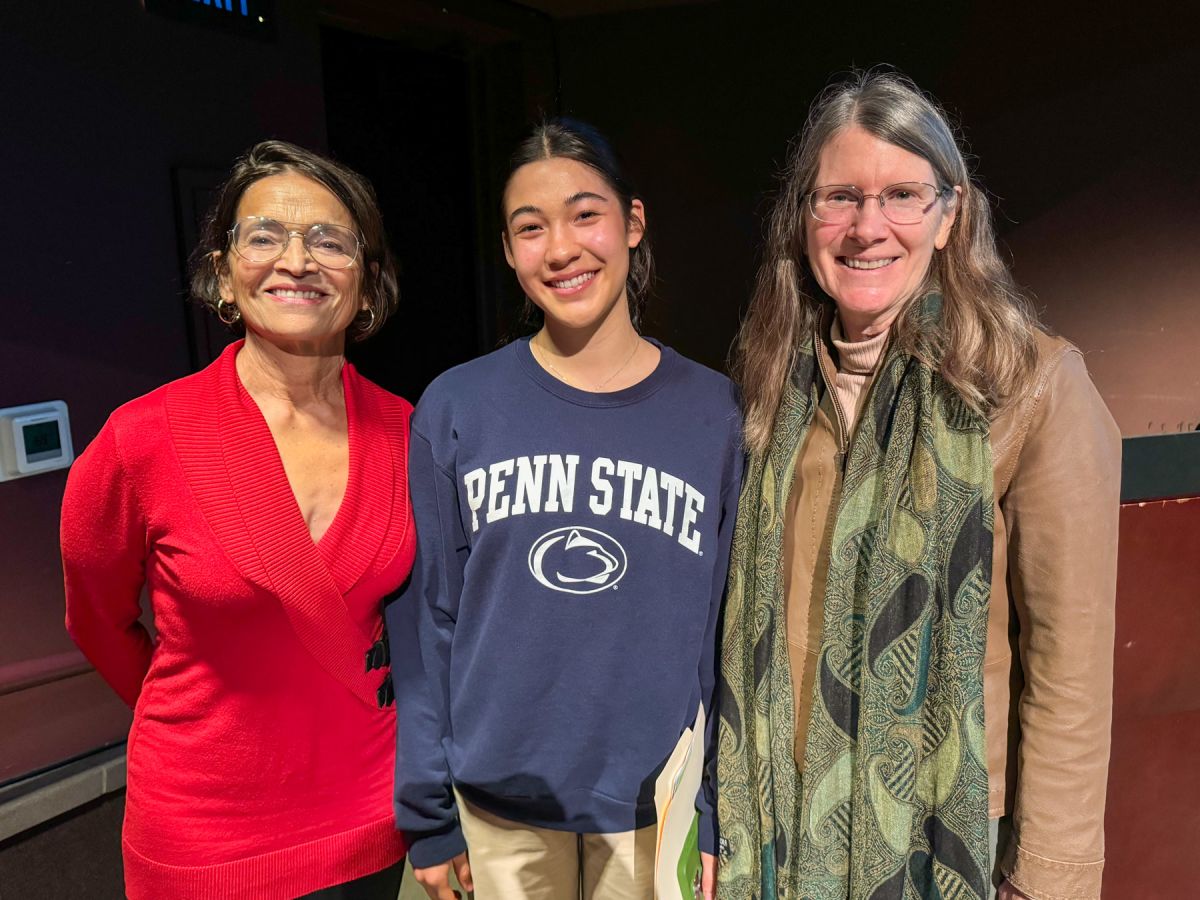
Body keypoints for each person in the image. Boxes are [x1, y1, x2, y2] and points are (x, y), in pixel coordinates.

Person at [717, 71, 1121, 900]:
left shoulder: (1031, 384)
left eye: (902, 195)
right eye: (840, 198)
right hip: (776, 834)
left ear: (950, 217)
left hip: (949, 839)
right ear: (804, 220)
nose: (868, 227)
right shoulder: (766, 392)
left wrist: (1047, 879)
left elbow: (1070, 672)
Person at [388, 119, 742, 900]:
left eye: (586, 215)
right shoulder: (457, 406)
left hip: (657, 805)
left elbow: (727, 636)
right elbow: (429, 627)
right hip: (496, 809)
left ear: (633, 222)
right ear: (508, 250)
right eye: (530, 228)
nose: (561, 249)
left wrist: (720, 807)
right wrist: (428, 814)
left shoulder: (715, 414)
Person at [61, 141, 413, 900]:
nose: (297, 260)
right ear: (224, 273)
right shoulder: (141, 439)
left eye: (330, 240)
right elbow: (95, 620)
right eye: (265, 236)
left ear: (367, 278)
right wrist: (209, 726)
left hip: (372, 818)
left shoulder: (410, 433)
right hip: (206, 834)